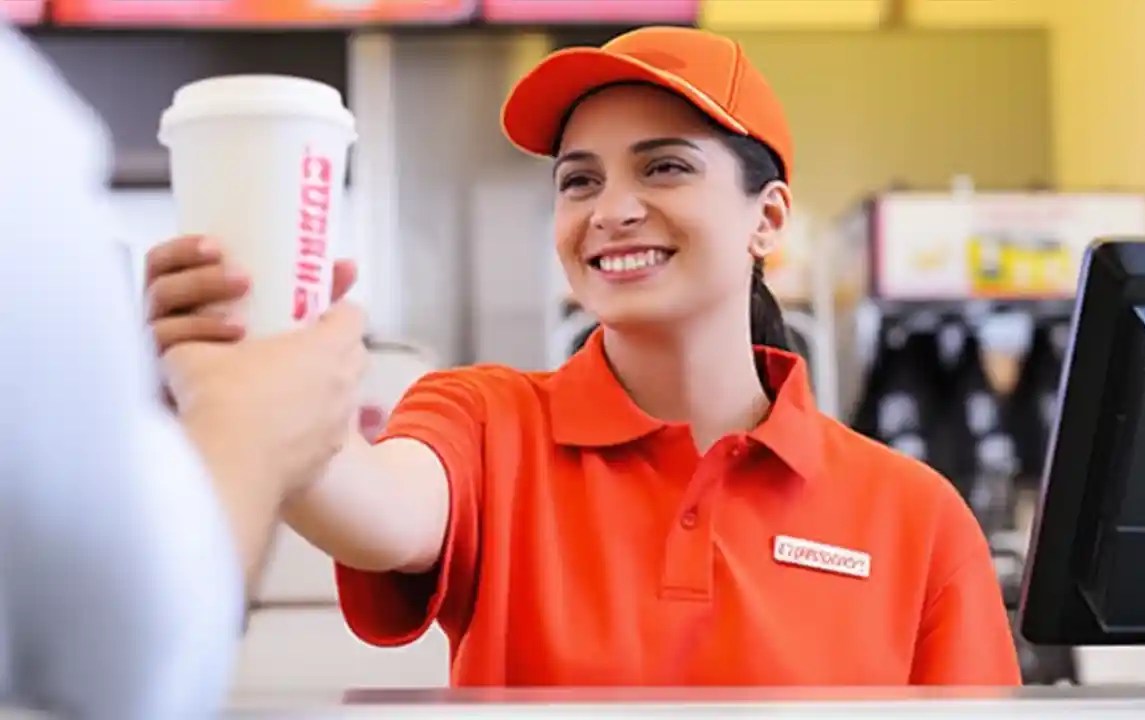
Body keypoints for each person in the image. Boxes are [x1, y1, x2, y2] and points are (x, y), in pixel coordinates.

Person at [146, 26, 1021, 685]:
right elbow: (374, 506)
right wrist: (248, 367)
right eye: (580, 179)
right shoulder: (486, 422)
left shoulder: (915, 516)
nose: (612, 209)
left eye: (665, 168)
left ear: (770, 217)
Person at [0, 22, 367, 718]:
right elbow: (129, 665)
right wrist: (247, 433)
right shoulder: (21, 137)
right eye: (578, 178)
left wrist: (208, 428)